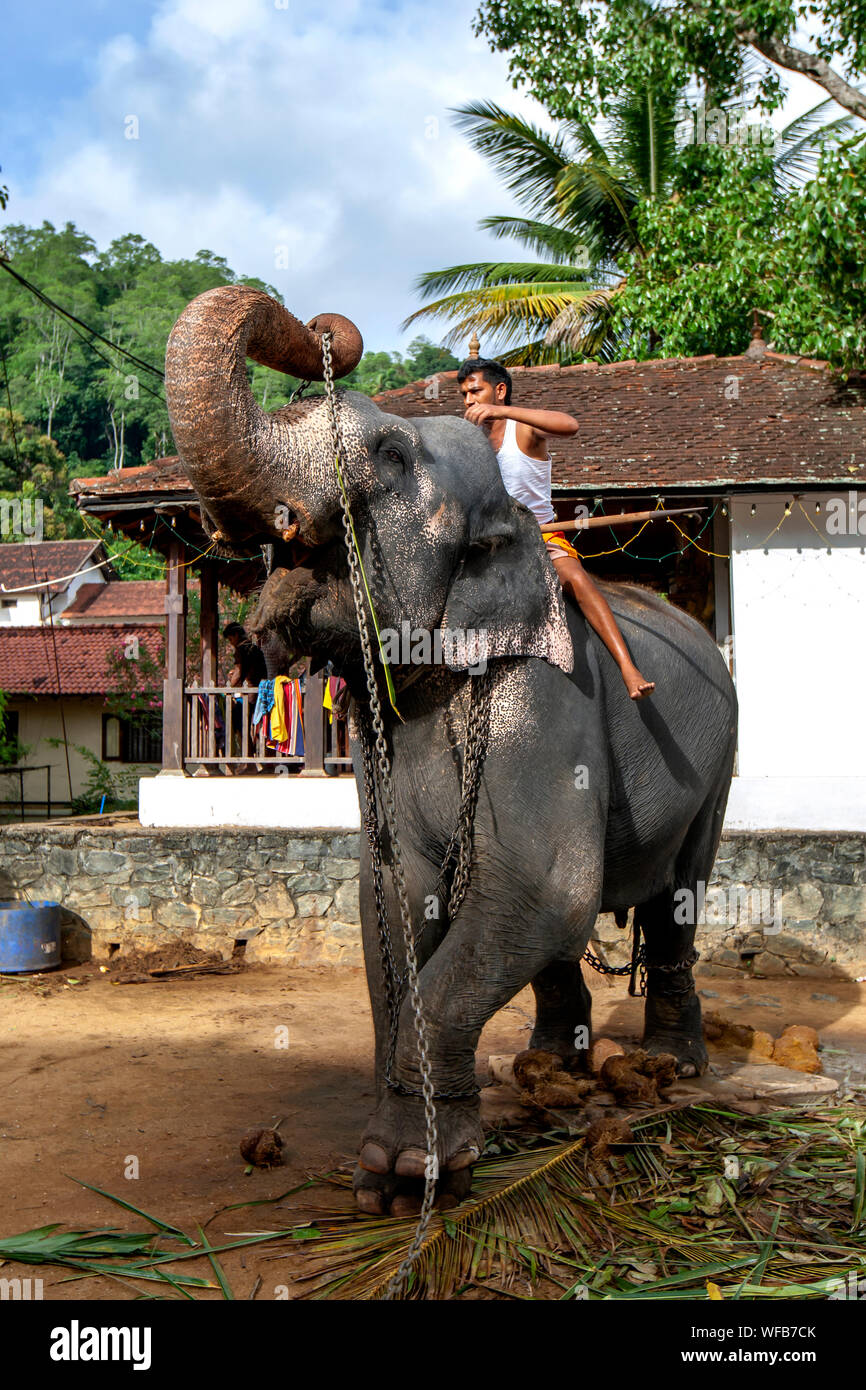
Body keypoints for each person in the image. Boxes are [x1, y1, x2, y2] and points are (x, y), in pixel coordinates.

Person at [458, 357, 655, 700]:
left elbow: (570, 425)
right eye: (464, 394)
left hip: (540, 536)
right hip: (486, 545)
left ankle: (628, 668)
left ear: (499, 391)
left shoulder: (526, 429)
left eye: (476, 391)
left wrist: (504, 413)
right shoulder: (466, 440)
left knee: (575, 579)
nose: (469, 401)